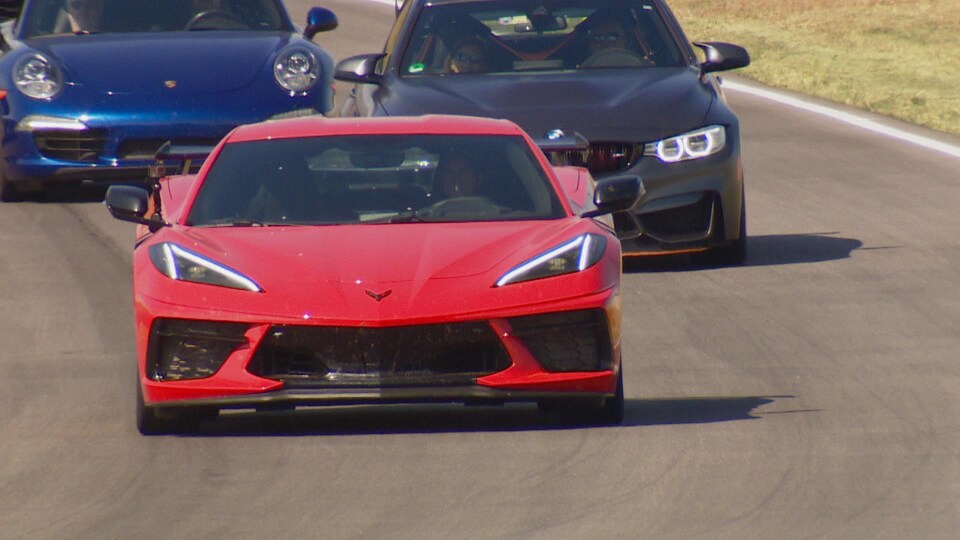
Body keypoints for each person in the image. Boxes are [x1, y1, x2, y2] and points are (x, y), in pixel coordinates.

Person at [580, 11, 647, 68]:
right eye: (598, 38)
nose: (605, 42)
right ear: (590, 44)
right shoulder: (580, 75)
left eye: (613, 36)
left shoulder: (647, 70)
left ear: (626, 42)